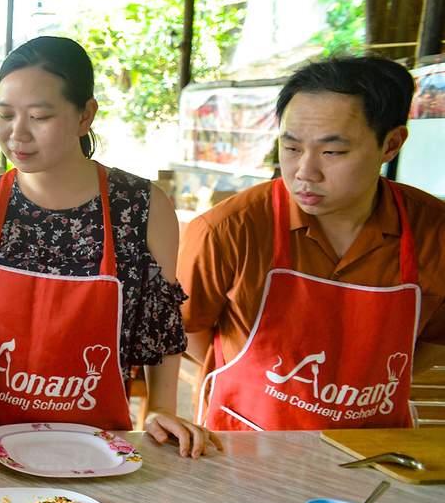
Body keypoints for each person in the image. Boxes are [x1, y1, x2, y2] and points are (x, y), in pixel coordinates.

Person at [0, 36, 220, 458]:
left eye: (39, 116)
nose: (18, 134)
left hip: (94, 444)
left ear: (85, 115)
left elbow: (158, 325)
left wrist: (160, 409)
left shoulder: (142, 207)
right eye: (5, 115)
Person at [180, 55, 445, 430]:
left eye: (332, 152)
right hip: (245, 442)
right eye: (291, 148)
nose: (305, 171)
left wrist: (348, 389)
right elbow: (190, 331)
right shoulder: (228, 229)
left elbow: (435, 340)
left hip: (373, 445)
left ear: (391, 144)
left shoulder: (435, 232)